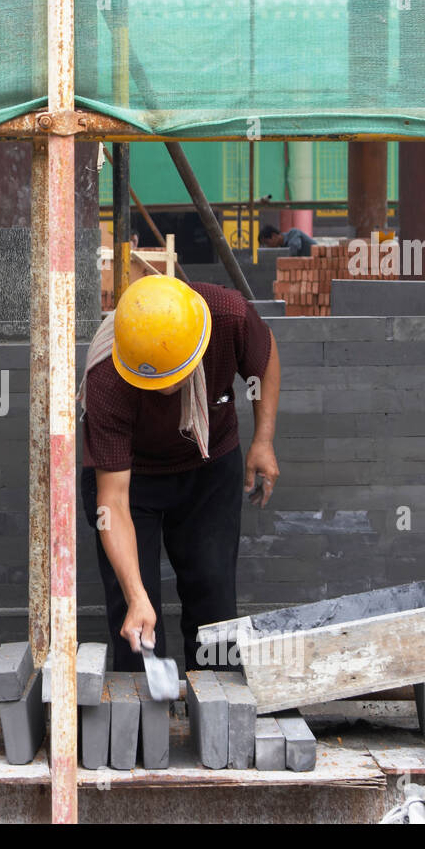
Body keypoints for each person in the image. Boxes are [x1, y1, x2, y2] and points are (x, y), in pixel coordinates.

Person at [79, 274, 280, 672]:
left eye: (174, 379)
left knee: (214, 598)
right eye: (153, 383)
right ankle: (140, 721)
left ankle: (217, 710)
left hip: (209, 464)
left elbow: (264, 360)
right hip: (132, 480)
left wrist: (263, 439)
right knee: (134, 608)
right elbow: (113, 502)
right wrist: (138, 596)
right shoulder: (106, 377)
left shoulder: (227, 315)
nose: (165, 391)